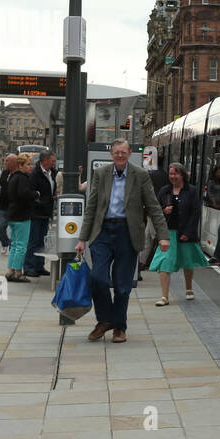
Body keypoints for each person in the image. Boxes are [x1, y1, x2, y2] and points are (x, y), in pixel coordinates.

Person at [76, 139, 169, 343]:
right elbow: (91, 207)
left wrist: (163, 235)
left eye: (123, 152)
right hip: (103, 232)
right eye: (116, 152)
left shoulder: (141, 175)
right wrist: (82, 238)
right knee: (98, 278)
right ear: (112, 154)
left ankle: (119, 327)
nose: (120, 156)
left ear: (129, 154)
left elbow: (153, 206)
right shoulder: (101, 174)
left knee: (122, 285)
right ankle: (105, 320)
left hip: (127, 233)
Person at [149, 162, 208, 305]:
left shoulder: (191, 191)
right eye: (171, 174)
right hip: (167, 233)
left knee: (187, 262)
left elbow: (195, 213)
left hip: (185, 233)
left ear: (182, 175)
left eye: (175, 173)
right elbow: (155, 210)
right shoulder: (164, 191)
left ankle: (189, 288)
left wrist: (188, 232)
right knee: (165, 262)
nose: (173, 176)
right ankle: (164, 297)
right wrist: (164, 211)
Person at [5, 153, 40, 282]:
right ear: (20, 165)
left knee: (14, 244)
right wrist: (36, 194)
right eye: (28, 164)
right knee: (21, 245)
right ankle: (18, 273)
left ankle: (10, 271)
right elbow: (24, 194)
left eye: (31, 164)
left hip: (13, 214)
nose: (31, 167)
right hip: (22, 215)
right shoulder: (23, 178)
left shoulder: (13, 177)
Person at [23, 150, 57, 278]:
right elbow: (32, 193)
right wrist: (42, 201)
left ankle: (39, 266)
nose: (54, 163)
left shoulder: (51, 173)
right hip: (36, 212)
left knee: (42, 241)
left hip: (46, 211)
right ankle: (29, 267)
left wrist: (52, 198)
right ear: (45, 160)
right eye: (52, 161)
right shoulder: (35, 174)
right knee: (33, 240)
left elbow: (50, 189)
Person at [0, 153, 18, 251]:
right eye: (5, 160)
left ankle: (12, 247)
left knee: (14, 230)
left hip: (15, 208)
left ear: (14, 163)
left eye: (7, 161)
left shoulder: (20, 174)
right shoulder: (4, 173)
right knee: (0, 228)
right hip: (3, 207)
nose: (5, 162)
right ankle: (6, 242)